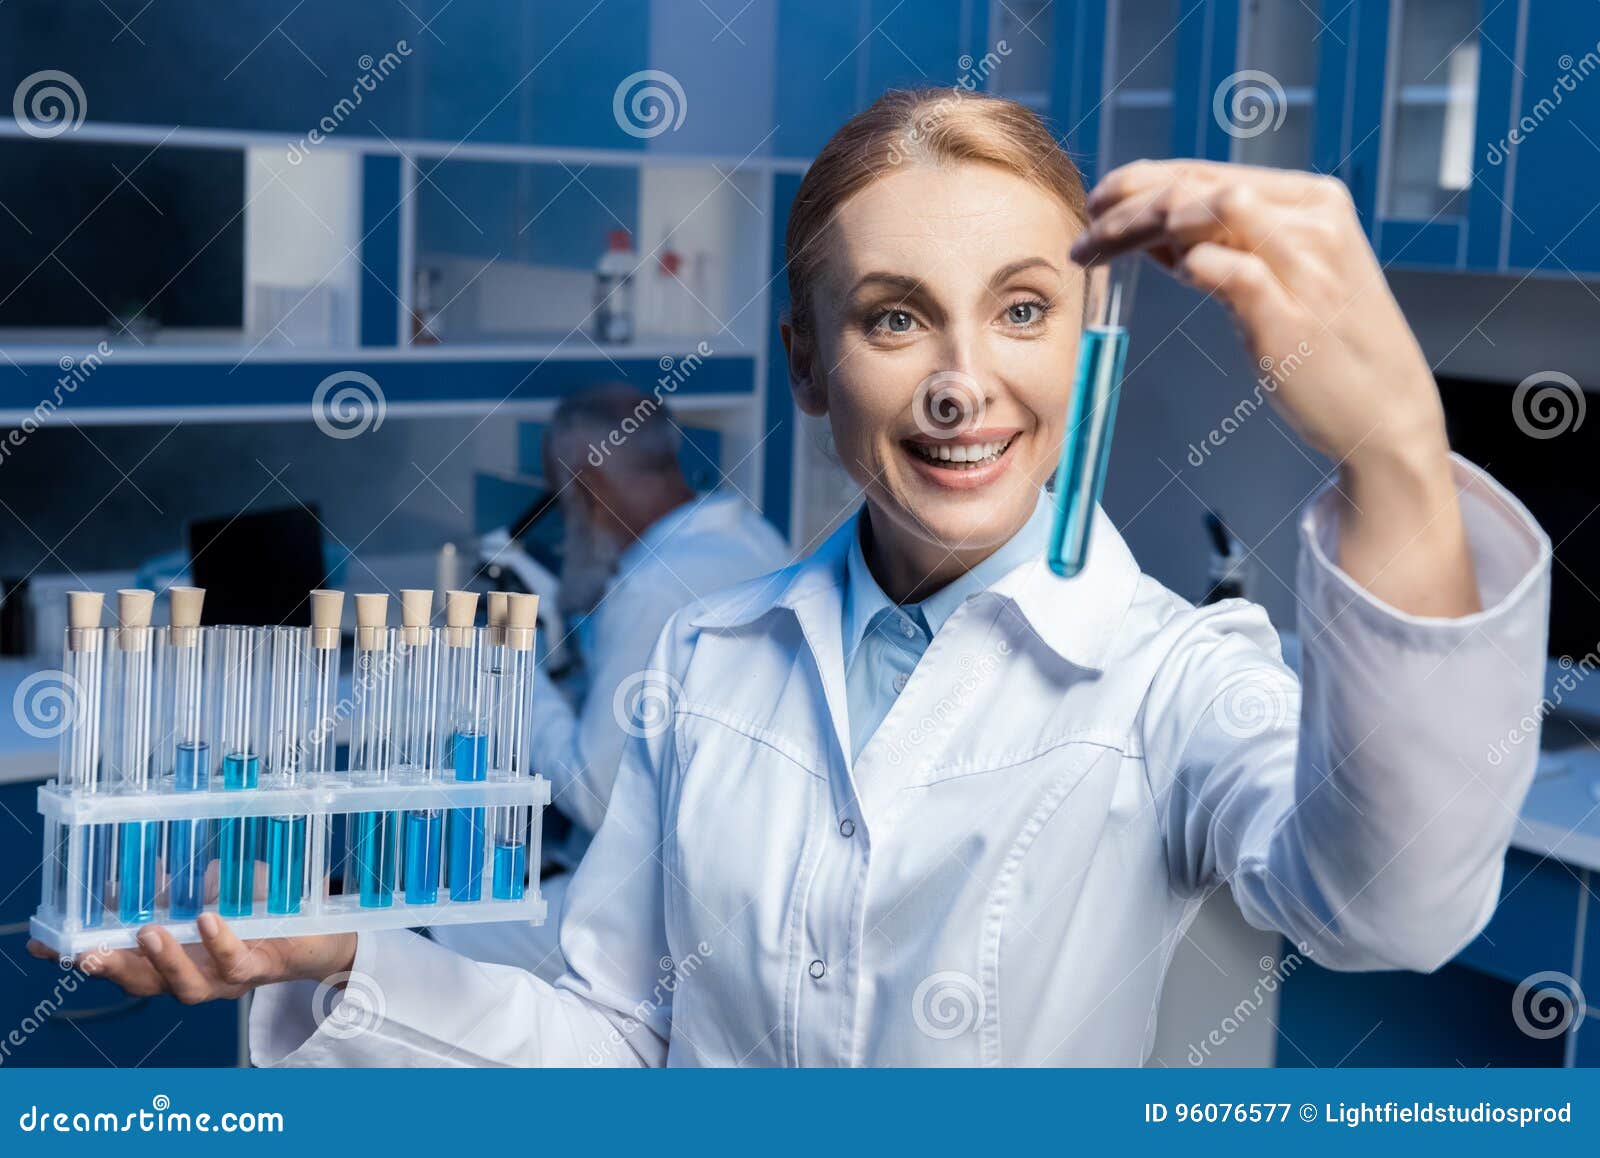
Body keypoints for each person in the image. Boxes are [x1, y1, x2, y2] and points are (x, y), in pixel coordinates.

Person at [51, 89, 1550, 1066]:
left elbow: (1390, 906)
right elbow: (622, 1042)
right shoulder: (709, 656)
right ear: (807, 367)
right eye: (896, 318)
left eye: (1022, 308)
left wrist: (1401, 459)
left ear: (1086, 355)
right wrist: (349, 956)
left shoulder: (1171, 673)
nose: (966, 380)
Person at [434, 384, 789, 977]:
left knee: (424, 937)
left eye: (562, 497)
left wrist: (500, 665)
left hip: (647, 916)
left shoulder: (654, 587)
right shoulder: (751, 538)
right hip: (728, 894)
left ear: (587, 489)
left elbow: (597, 793)